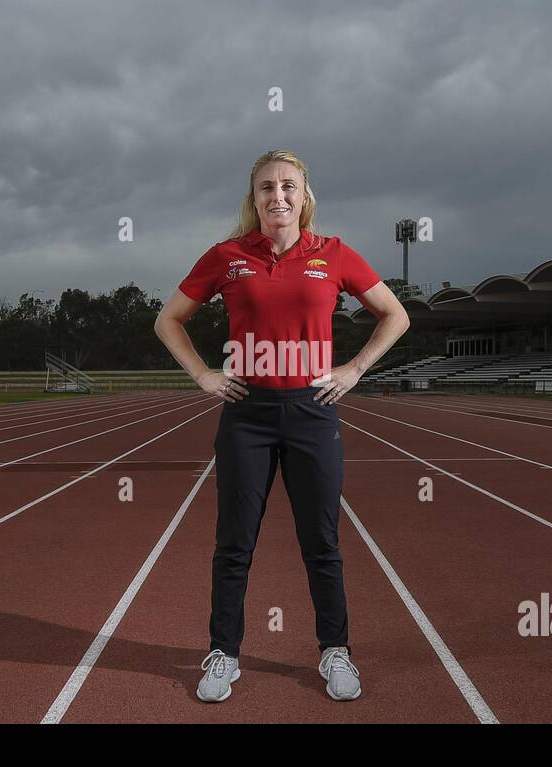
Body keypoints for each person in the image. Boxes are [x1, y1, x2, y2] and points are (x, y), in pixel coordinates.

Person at [155, 149, 409, 704]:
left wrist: (355, 368)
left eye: (288, 186)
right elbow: (167, 318)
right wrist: (202, 373)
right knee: (234, 545)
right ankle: (224, 654)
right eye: (267, 187)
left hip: (312, 414)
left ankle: (334, 652)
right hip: (246, 415)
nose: (278, 196)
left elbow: (397, 313)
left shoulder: (334, 254)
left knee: (321, 543)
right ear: (254, 198)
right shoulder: (227, 256)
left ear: (304, 194)